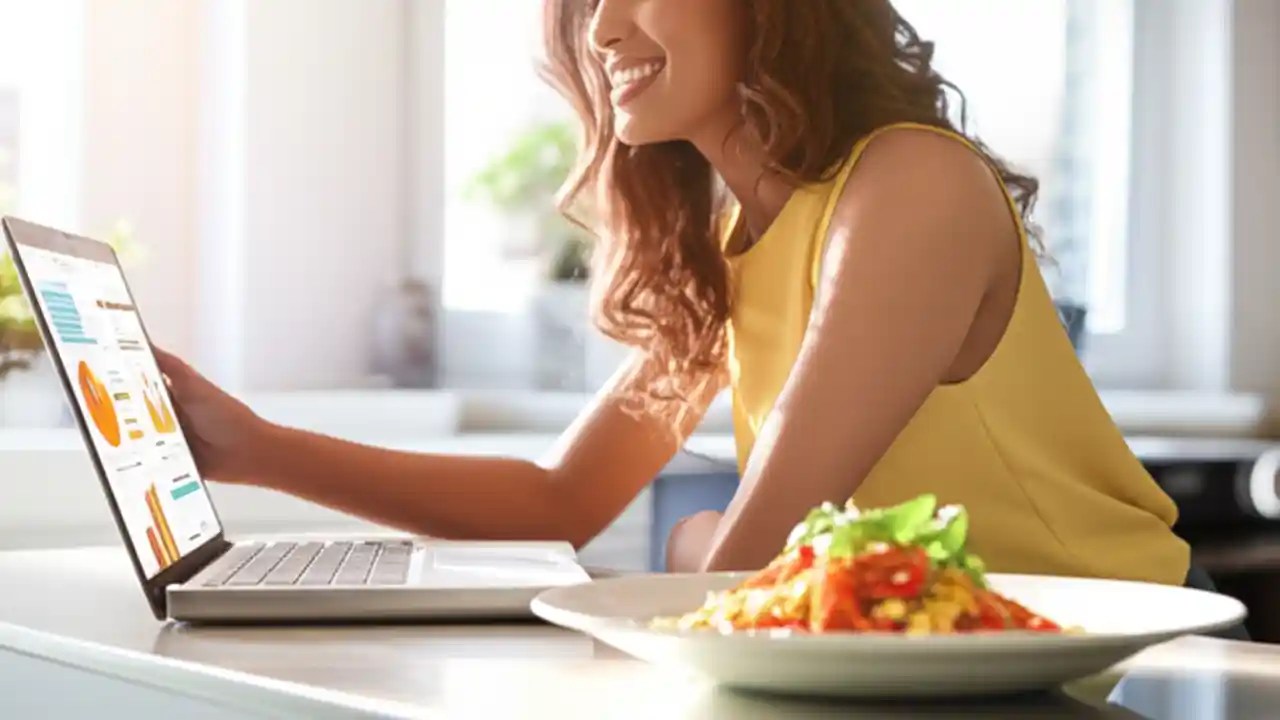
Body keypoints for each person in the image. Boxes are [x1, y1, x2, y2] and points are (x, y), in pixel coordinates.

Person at [157, 0, 1198, 598]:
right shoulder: (729, 246)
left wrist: (695, 546)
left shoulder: (907, 186)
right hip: (924, 672)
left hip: (1107, 660)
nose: (602, 29)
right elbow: (560, 501)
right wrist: (251, 448)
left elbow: (749, 563)